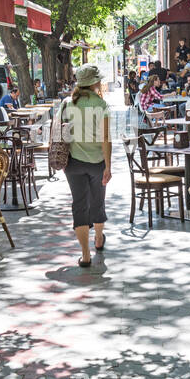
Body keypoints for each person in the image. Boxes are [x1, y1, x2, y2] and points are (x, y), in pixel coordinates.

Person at [60, 63, 111, 267]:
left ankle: (85, 254)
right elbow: (105, 139)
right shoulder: (100, 105)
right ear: (95, 82)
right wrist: (108, 165)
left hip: (72, 163)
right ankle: (98, 238)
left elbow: (61, 134)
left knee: (79, 205)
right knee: (97, 202)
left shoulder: (67, 103)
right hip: (97, 162)